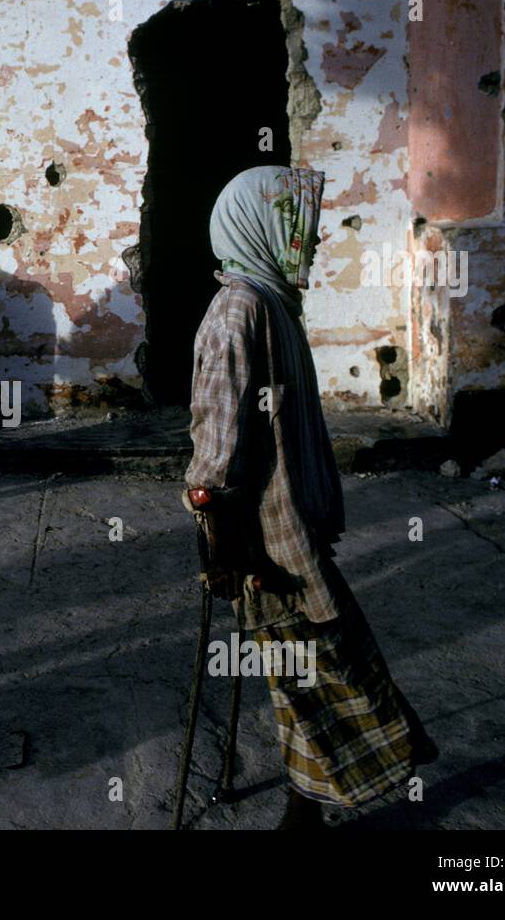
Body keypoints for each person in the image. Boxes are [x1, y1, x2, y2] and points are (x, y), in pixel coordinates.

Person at [185, 165, 436, 828]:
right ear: (258, 227)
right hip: (265, 539)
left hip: (293, 526)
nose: (316, 240)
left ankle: (307, 808)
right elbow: (215, 447)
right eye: (301, 227)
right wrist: (223, 546)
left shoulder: (270, 302)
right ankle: (308, 811)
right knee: (319, 670)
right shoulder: (238, 312)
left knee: (305, 671)